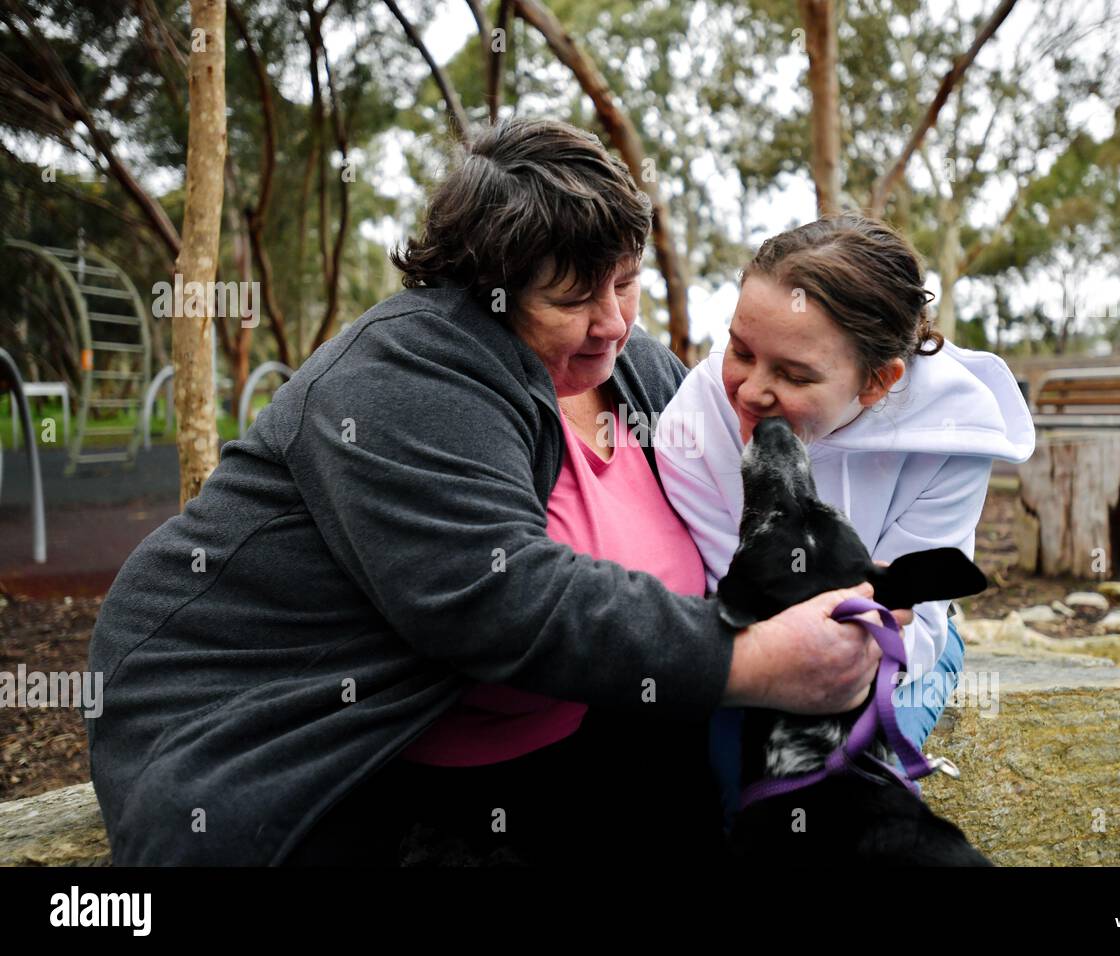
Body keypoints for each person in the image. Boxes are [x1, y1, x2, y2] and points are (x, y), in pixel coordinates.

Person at [85, 119, 906, 866]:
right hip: (301, 736)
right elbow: (501, 594)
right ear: (485, 292)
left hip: (564, 740)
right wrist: (756, 660)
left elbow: (765, 490)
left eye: (624, 282)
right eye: (571, 298)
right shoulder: (403, 377)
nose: (613, 323)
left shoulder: (638, 375)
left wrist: (863, 600)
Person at [654, 215, 1035, 828]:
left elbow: (917, 611)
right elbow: (736, 593)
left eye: (796, 374)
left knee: (859, 793)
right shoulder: (695, 426)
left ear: (878, 381)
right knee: (731, 794)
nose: (751, 391)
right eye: (741, 350)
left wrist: (867, 647)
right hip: (754, 646)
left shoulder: (954, 430)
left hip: (894, 645)